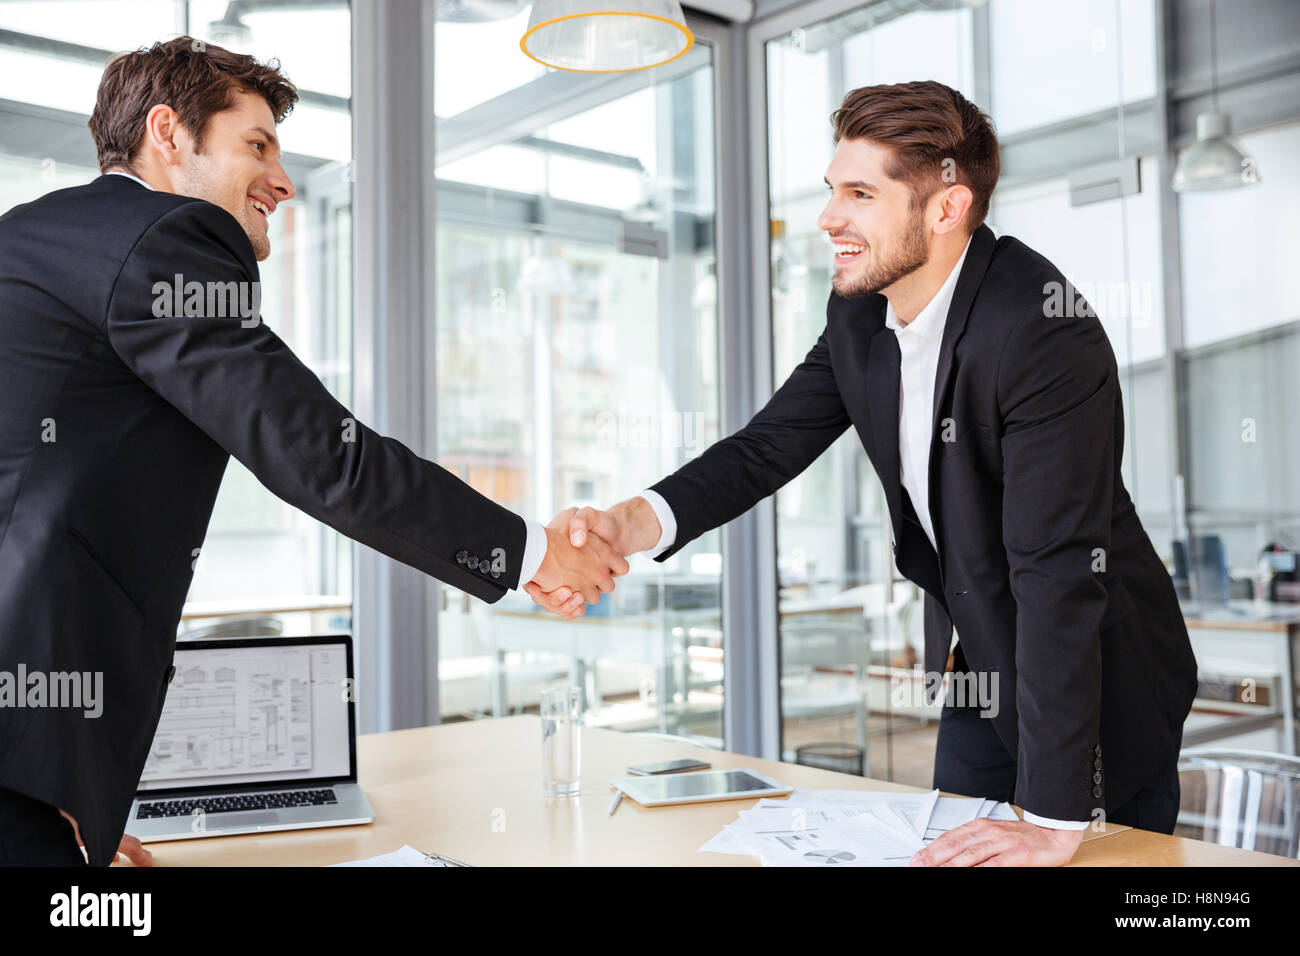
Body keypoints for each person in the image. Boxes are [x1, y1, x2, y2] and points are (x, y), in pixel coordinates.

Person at [529, 80, 1199, 867]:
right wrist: (627, 525)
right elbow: (766, 446)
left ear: (946, 208)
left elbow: (1056, 575)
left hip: (1099, 683)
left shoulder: (1045, 331)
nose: (828, 218)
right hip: (982, 667)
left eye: (858, 194)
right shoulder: (861, 308)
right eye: (830, 191)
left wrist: (1058, 817)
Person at [0, 37, 626, 867]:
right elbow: (324, 458)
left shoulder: (29, 239)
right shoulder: (162, 237)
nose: (284, 180)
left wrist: (63, 791)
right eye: (255, 145)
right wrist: (534, 552)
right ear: (168, 134)